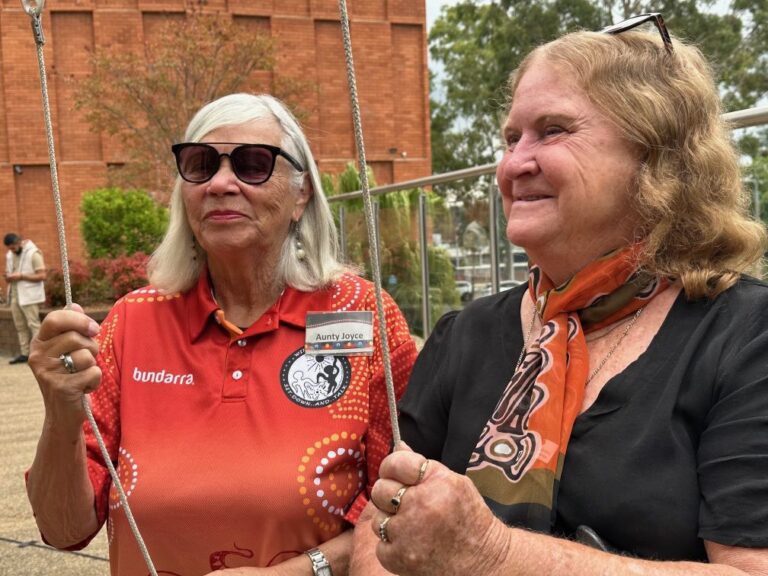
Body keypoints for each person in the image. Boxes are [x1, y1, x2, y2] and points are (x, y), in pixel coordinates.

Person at [352, 14, 768, 576]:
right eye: (511, 138)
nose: (513, 164)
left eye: (553, 131)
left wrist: (493, 555)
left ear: (657, 157)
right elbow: (382, 518)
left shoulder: (745, 338)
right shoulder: (464, 335)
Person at [25, 93, 418, 576]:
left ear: (301, 195)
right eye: (201, 164)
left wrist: (296, 573)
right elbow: (64, 530)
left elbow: (400, 507)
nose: (220, 183)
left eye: (253, 164)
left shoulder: (363, 314)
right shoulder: (130, 323)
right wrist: (60, 414)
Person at [4, 232, 46, 364]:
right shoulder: (10, 255)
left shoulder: (33, 253)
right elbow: (10, 271)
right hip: (15, 295)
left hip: (29, 296)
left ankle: (39, 353)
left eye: (13, 247)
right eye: (10, 248)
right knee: (20, 326)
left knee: (34, 325)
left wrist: (21, 276)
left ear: (19, 242)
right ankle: (25, 354)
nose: (12, 250)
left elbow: (42, 275)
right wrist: (9, 276)